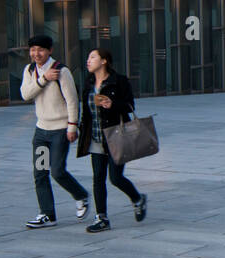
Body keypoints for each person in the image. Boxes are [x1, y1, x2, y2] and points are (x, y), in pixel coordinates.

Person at [21, 35, 89, 229]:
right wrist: (43, 79)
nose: (36, 53)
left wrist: (72, 126)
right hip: (41, 132)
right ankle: (47, 215)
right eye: (33, 49)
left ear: (49, 51)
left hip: (60, 131)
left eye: (40, 49)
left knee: (57, 171)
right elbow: (26, 95)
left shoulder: (61, 71)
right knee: (40, 173)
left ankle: (81, 195)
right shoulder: (29, 70)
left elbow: (72, 101)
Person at [77, 48, 147, 233]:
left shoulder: (119, 81)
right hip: (95, 137)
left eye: (92, 57)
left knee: (115, 178)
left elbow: (130, 105)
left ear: (104, 61)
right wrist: (79, 130)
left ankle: (137, 199)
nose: (88, 60)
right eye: (88, 57)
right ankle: (102, 218)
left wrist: (112, 104)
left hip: (117, 135)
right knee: (98, 178)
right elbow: (86, 111)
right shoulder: (88, 82)